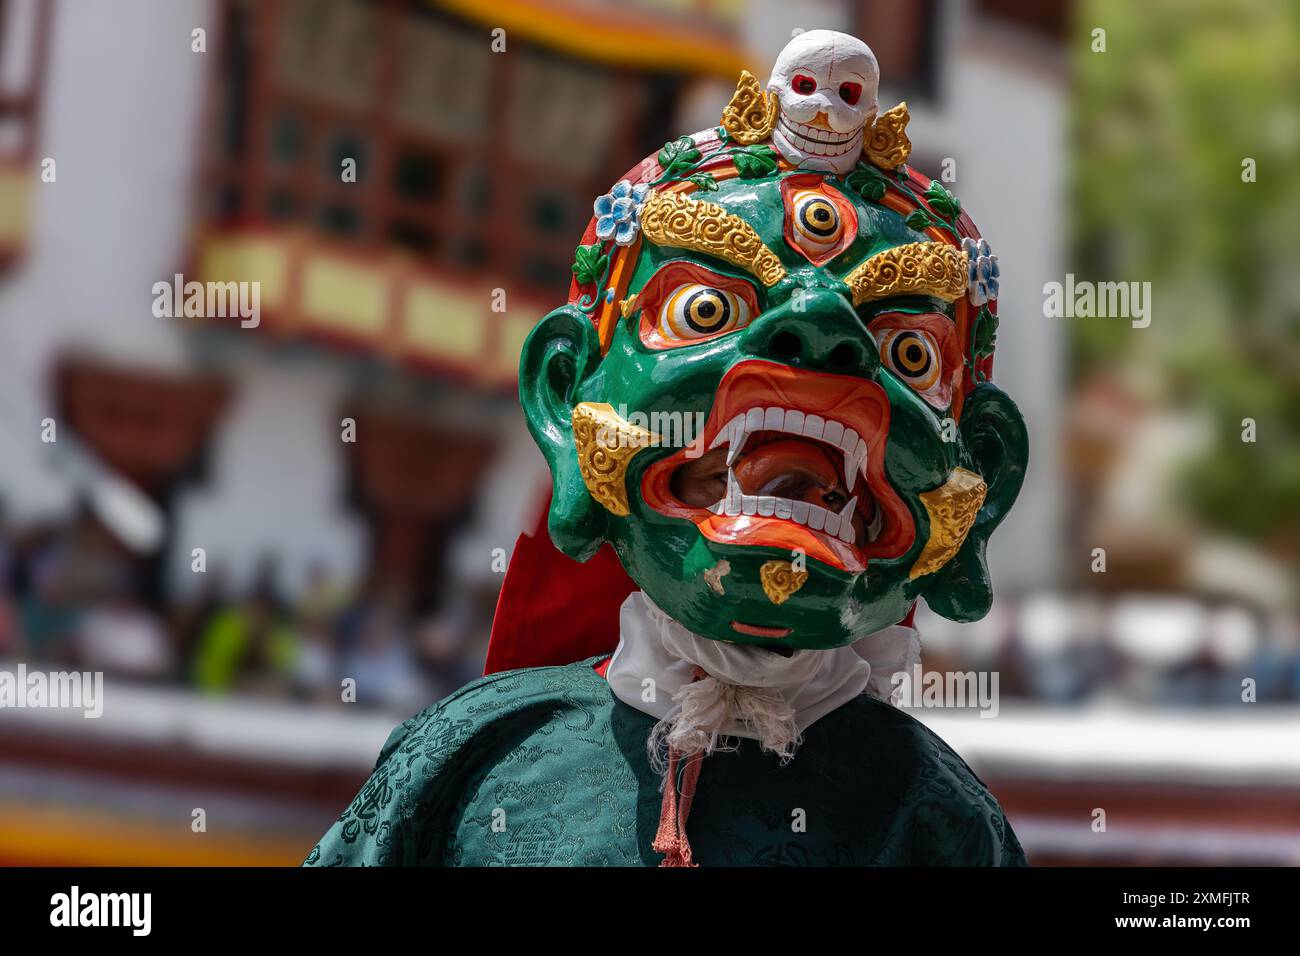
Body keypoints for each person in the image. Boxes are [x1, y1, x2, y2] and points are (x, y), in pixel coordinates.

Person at [307, 30, 1029, 867]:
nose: (819, 332)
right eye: (706, 311)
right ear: (566, 396)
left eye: (910, 353)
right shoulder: (467, 765)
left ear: (980, 479)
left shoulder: (939, 828)